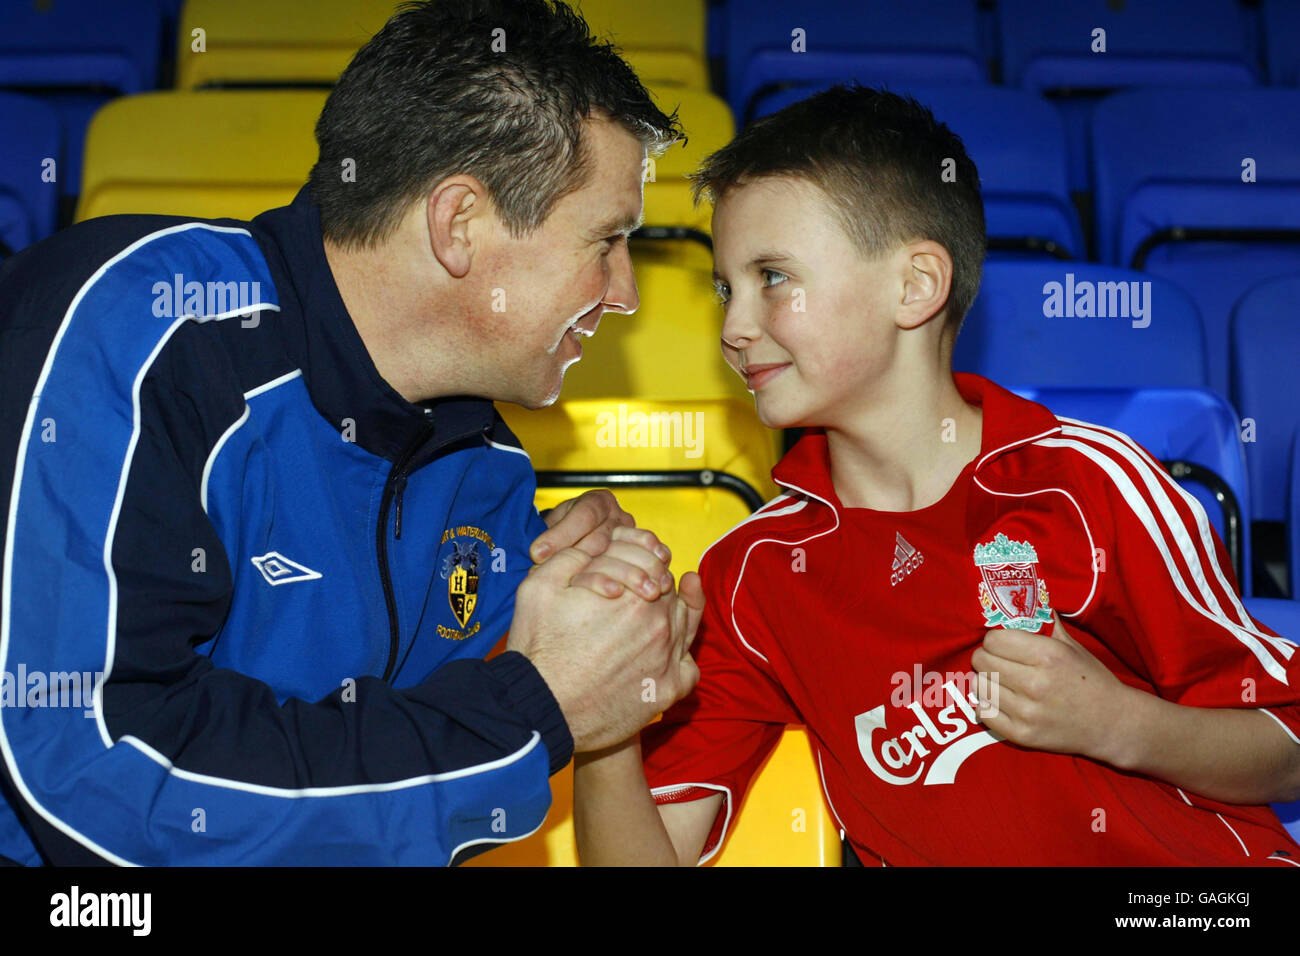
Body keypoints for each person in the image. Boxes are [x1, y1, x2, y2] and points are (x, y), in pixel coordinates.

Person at [0, 0, 704, 866]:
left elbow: (372, 798)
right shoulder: (137, 328)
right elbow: (96, 781)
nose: (626, 291)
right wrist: (531, 706)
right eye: (608, 240)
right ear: (460, 225)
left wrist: (571, 606)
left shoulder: (486, 472)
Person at [572, 84, 1300, 866]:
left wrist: (1117, 723)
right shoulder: (758, 576)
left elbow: (1286, 745)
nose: (735, 328)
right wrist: (603, 722)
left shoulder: (1088, 486)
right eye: (726, 288)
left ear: (916, 285)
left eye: (773, 277)